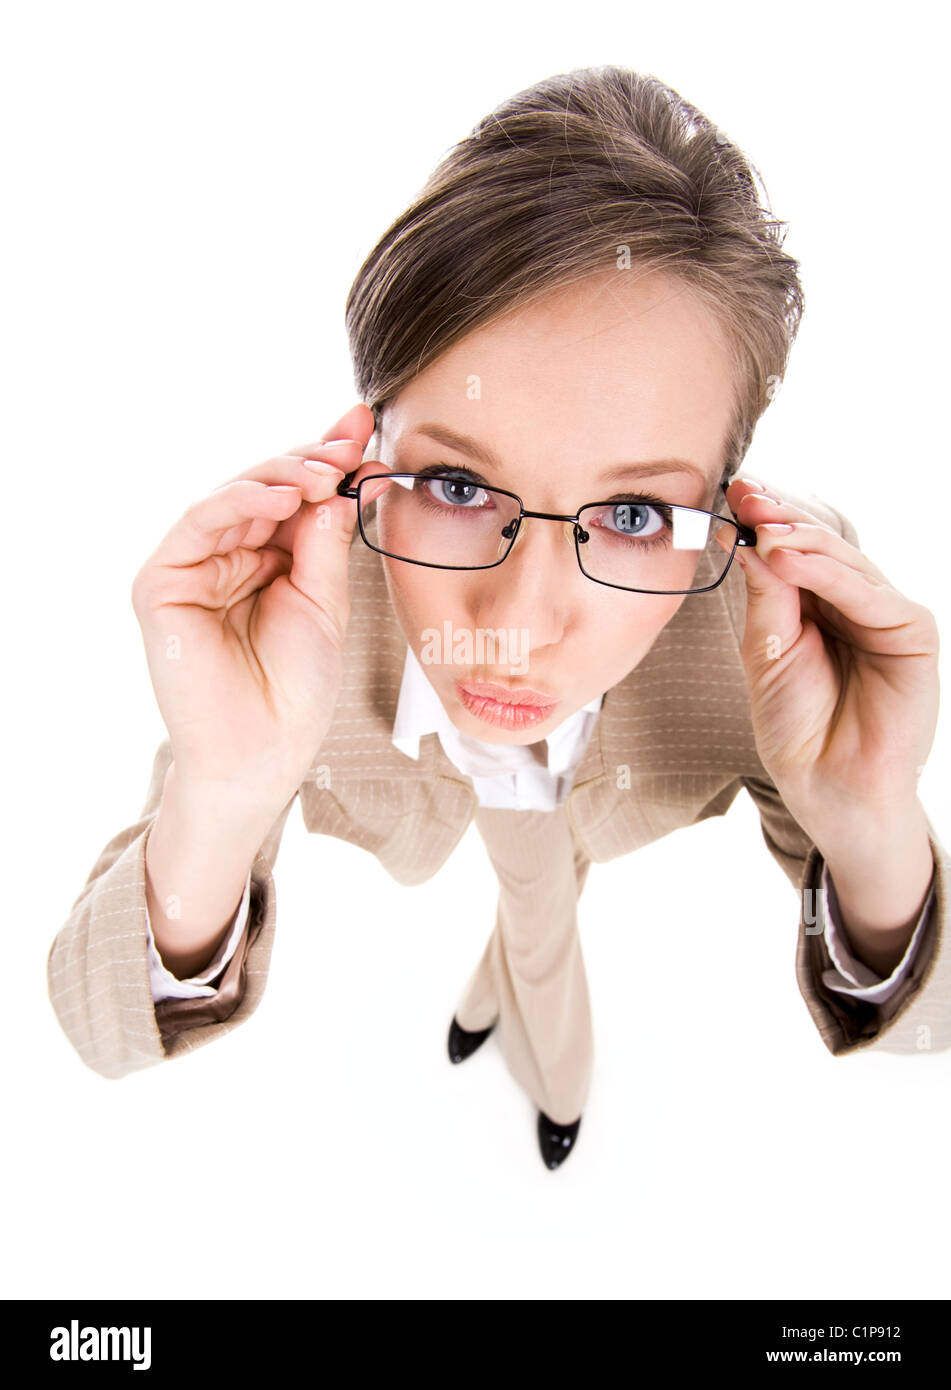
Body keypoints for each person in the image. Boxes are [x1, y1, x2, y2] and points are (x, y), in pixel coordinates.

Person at [47, 65, 948, 1171]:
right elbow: (98, 1033)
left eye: (631, 512)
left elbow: (938, 1026)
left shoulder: (773, 616)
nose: (519, 625)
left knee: (540, 898)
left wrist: (871, 824)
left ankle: (537, 1061)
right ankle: (525, 1029)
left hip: (590, 792)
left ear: (728, 505)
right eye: (459, 488)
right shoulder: (296, 602)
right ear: (370, 444)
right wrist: (224, 793)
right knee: (536, 897)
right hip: (452, 785)